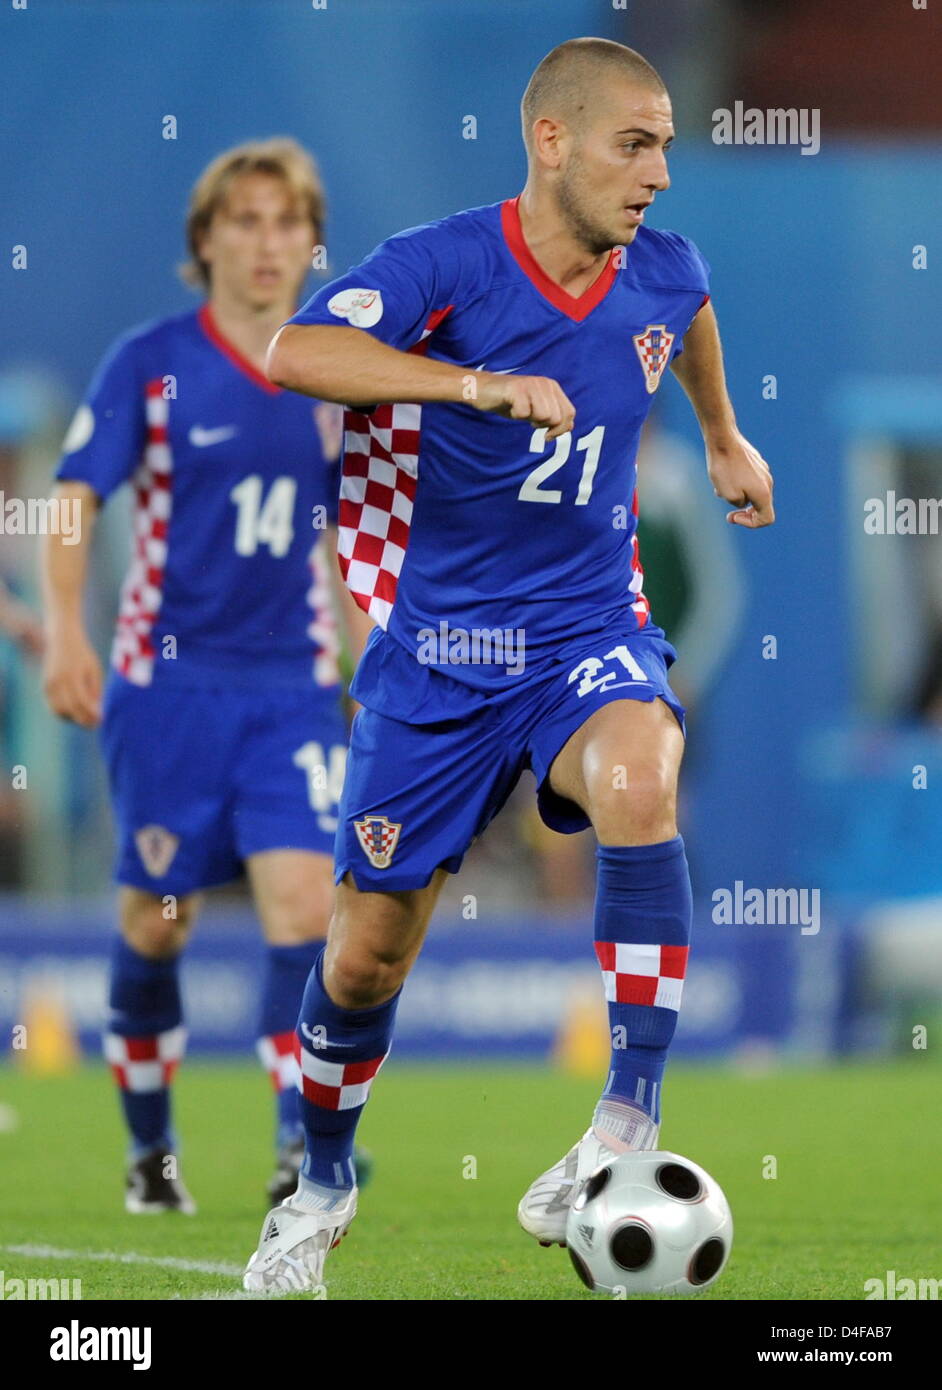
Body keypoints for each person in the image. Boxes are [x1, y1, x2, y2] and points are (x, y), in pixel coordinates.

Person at [243, 39, 774, 1292]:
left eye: (665, 145)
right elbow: (298, 355)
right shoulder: (445, 263)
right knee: (366, 954)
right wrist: (471, 386)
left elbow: (687, 315)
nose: (657, 171)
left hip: (588, 633)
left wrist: (723, 436)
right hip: (437, 663)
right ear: (552, 141)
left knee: (644, 775)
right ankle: (317, 1191)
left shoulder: (664, 268)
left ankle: (621, 1125)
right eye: (632, 144)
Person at [41, 138, 371, 1214]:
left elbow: (350, 529)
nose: (269, 243)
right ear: (207, 239)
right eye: (247, 220)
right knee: (157, 921)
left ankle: (297, 1149)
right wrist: (66, 628)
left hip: (290, 690)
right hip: (167, 691)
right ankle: (151, 1154)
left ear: (309, 242)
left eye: (288, 222)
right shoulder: (150, 359)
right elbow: (76, 495)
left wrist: (374, 644)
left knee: (304, 905)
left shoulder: (335, 365)